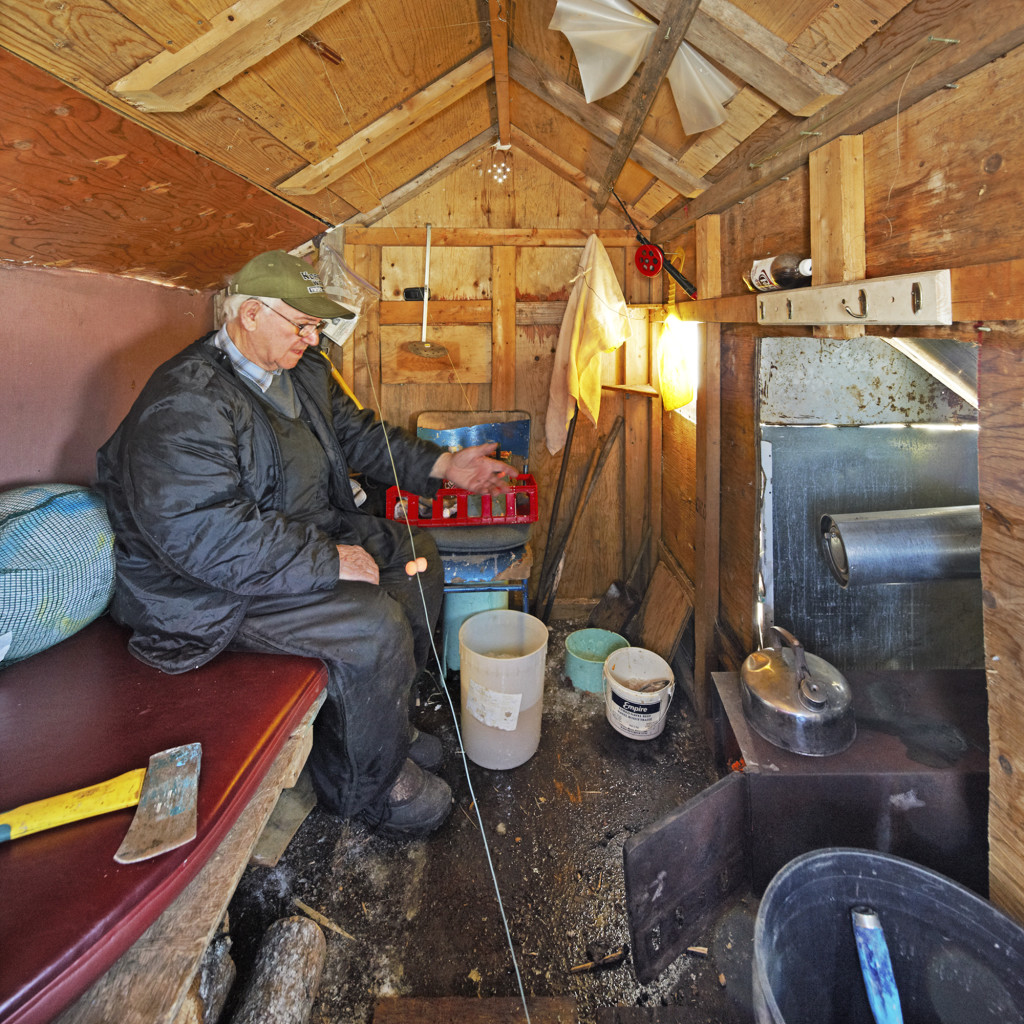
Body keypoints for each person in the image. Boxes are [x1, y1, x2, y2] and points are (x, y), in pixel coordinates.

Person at [97, 250, 514, 839]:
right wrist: (327, 560)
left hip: (295, 537)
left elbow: (358, 434)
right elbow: (205, 537)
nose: (313, 338)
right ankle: (366, 789)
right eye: (301, 324)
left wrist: (445, 465)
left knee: (415, 557)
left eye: (315, 325)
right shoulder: (185, 403)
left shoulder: (300, 369)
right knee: (371, 625)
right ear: (249, 315)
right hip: (207, 589)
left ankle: (385, 731)